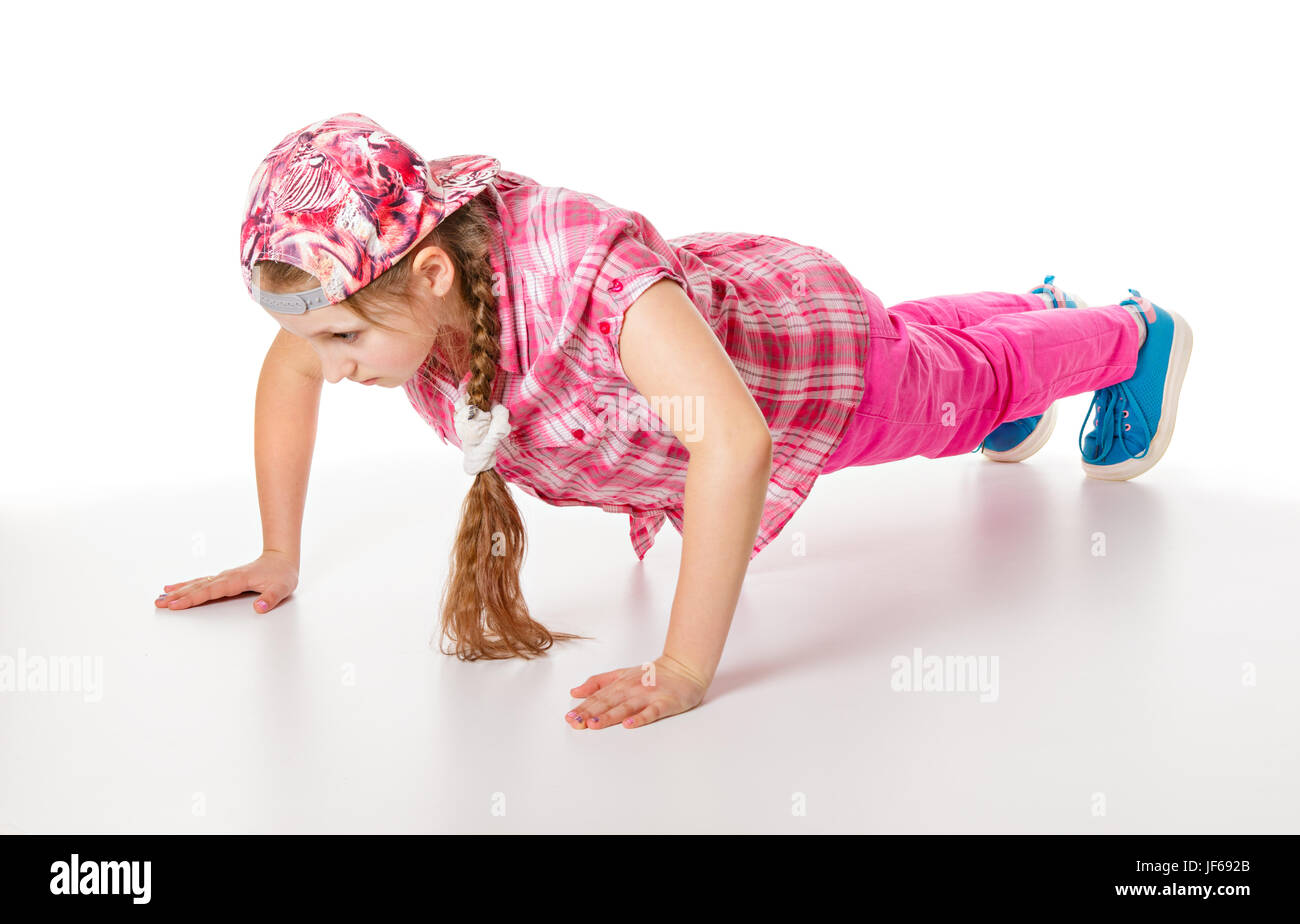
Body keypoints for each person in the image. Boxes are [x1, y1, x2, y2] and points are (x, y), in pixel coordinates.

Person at [153, 112, 1193, 731]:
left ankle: (1128, 337)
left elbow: (733, 443)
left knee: (947, 385)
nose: (326, 369)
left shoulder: (585, 277)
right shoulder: (395, 288)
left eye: (341, 344)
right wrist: (277, 552)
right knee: (933, 352)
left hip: (805, 375)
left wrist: (687, 668)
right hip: (770, 318)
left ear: (426, 276)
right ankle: (1040, 317)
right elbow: (287, 370)